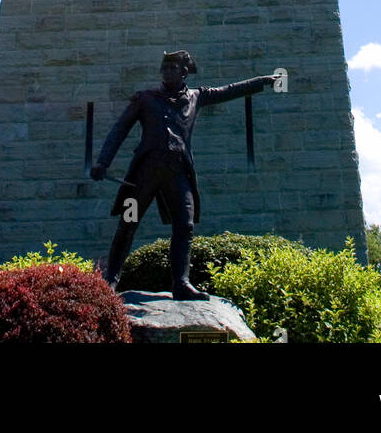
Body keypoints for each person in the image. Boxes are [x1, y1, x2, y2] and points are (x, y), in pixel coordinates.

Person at [90, 49, 278, 299]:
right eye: (164, 68)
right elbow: (120, 129)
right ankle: (110, 280)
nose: (167, 72)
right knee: (128, 222)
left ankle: (181, 283)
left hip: (177, 175)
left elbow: (230, 90)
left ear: (184, 72)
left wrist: (262, 81)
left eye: (173, 68)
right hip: (142, 178)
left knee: (185, 224)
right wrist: (103, 162)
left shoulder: (196, 97)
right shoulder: (145, 99)